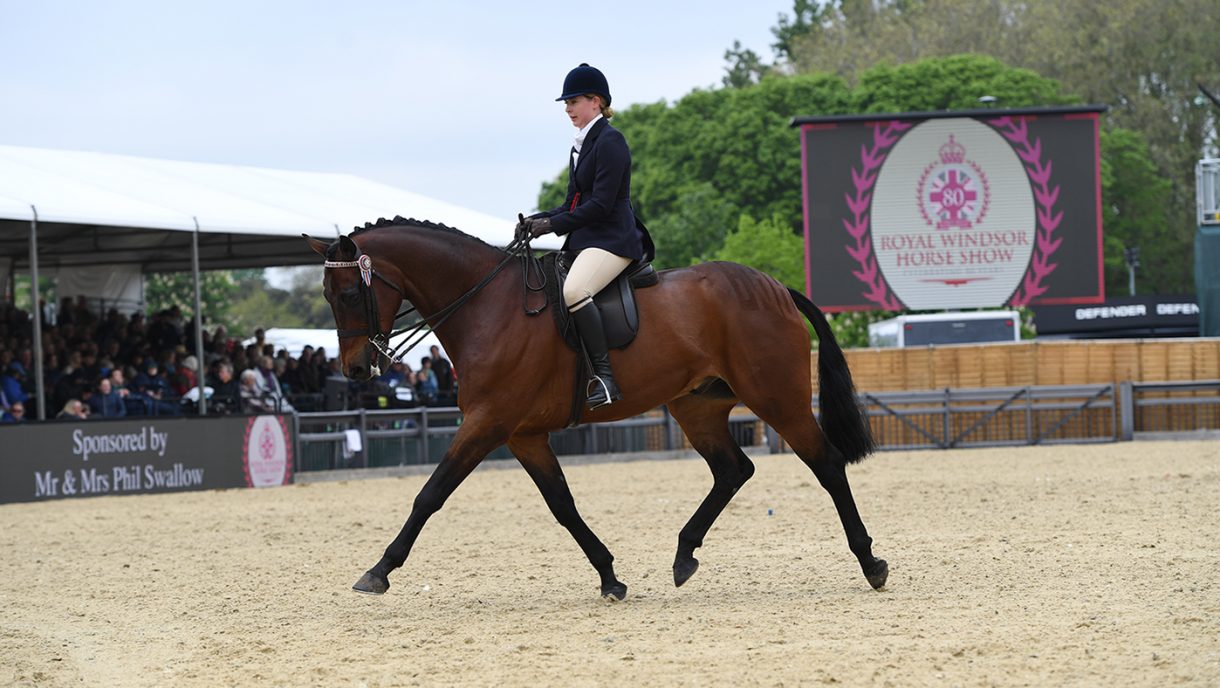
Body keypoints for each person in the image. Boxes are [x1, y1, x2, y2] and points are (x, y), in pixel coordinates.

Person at [517, 63, 654, 410]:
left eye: (573, 101)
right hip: (587, 240)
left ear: (596, 101)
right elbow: (572, 203)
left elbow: (602, 205)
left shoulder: (611, 141)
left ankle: (606, 378)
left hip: (613, 239)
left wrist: (554, 226)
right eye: (566, 103)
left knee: (575, 290)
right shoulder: (579, 147)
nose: (567, 108)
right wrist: (539, 220)